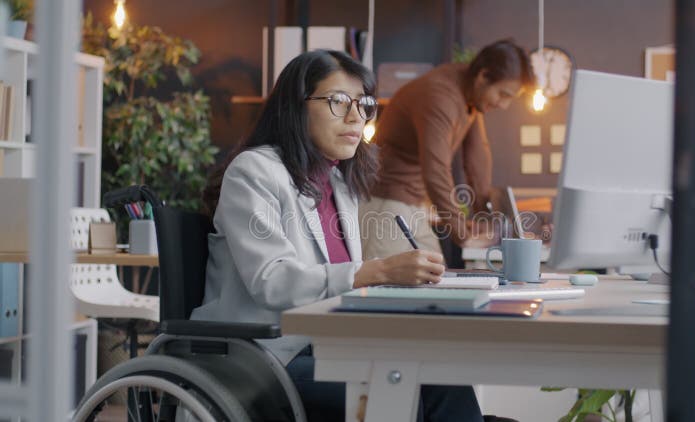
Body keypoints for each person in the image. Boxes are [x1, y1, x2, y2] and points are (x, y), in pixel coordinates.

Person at [198, 50, 507, 422]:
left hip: (321, 347)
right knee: (408, 388)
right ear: (296, 106)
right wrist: (378, 271)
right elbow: (272, 281)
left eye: (364, 105)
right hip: (264, 358)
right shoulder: (255, 171)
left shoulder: (338, 183)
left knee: (441, 374)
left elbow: (340, 287)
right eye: (338, 102)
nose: (355, 116)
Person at [360, 39, 534, 261]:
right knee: (386, 287)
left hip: (411, 204)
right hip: (385, 202)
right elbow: (436, 171)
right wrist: (462, 233)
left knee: (434, 271)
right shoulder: (440, 96)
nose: (504, 105)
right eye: (503, 94)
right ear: (483, 76)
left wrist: (483, 217)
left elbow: (477, 155)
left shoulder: (469, 93)